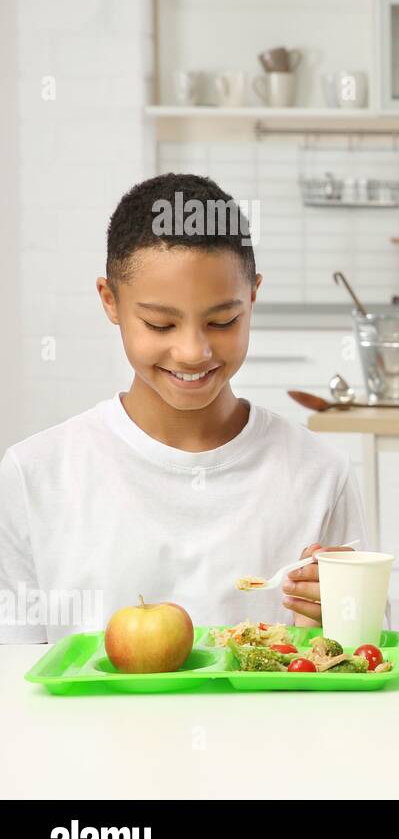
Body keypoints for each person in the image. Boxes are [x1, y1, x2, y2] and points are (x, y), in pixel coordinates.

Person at [0, 174, 364, 644]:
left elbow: (365, 658)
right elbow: (12, 674)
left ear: (252, 295)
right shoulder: (36, 475)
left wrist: (333, 622)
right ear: (110, 301)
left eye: (223, 321)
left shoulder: (320, 473)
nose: (193, 351)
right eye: (160, 323)